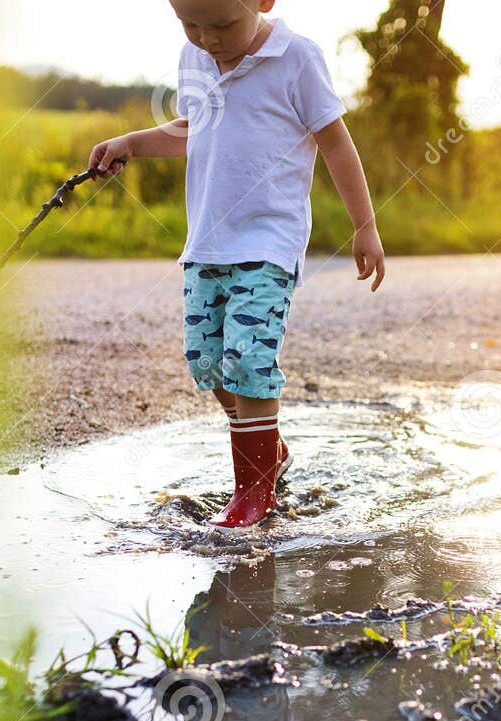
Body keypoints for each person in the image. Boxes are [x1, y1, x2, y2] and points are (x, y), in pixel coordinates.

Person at [88, 0, 386, 529]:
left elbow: (335, 141)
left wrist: (364, 225)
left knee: (248, 361)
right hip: (207, 241)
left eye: (222, 24)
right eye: (190, 24)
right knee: (207, 363)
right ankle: (269, 450)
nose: (208, 38)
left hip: (269, 241)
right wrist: (132, 141)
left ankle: (253, 494)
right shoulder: (194, 57)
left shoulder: (296, 57)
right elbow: (193, 128)